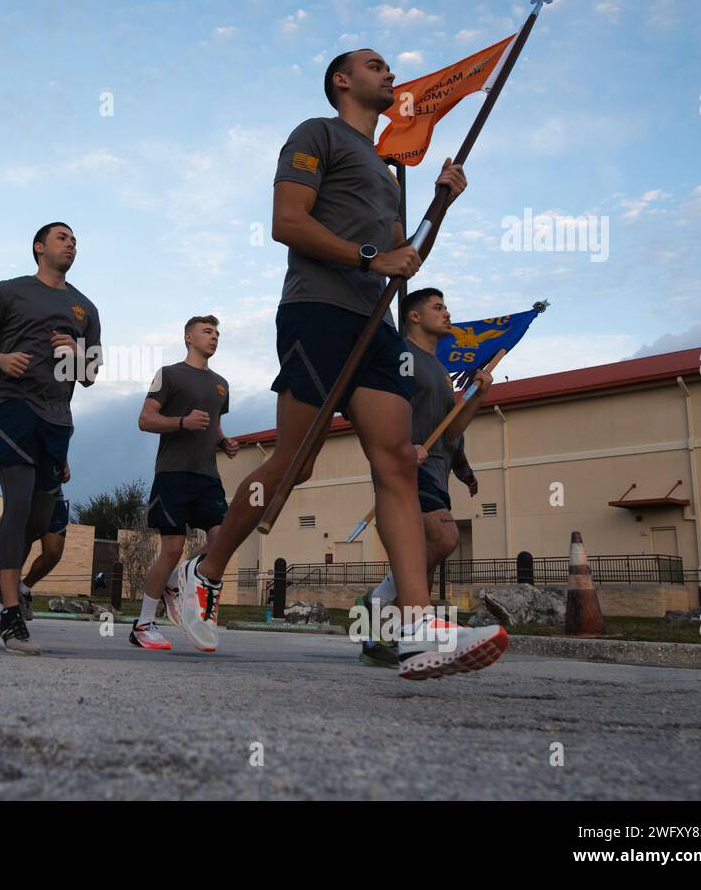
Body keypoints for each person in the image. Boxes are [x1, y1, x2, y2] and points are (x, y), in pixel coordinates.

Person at [174, 49, 507, 679]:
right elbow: (286, 222)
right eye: (375, 64)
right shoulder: (316, 135)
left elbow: (401, 257)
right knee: (292, 466)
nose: (390, 72)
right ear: (342, 80)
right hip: (318, 312)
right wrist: (367, 258)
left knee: (400, 461)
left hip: (375, 326)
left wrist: (441, 202)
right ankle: (205, 570)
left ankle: (411, 627)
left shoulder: (387, 171)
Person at [0, 222, 101, 653]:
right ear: (39, 248)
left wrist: (75, 355)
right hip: (13, 405)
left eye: (75, 239)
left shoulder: (85, 307)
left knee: (40, 521)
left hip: (58, 417)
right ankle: (8, 611)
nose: (71, 243)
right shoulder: (8, 291)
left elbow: (91, 375)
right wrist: (0, 357)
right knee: (17, 506)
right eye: (62, 237)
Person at [358, 288, 492, 666]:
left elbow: (449, 431)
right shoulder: (401, 355)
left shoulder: (439, 368)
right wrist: (403, 444)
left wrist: (477, 397)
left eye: (446, 306)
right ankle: (380, 598)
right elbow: (379, 408)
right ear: (414, 316)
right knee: (445, 534)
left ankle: (388, 641)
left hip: (436, 469)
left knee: (423, 566)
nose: (447, 313)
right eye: (438, 307)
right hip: (405, 468)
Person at [130, 316, 238, 651]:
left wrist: (222, 441)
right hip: (173, 474)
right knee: (173, 549)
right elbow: (145, 419)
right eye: (207, 332)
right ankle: (143, 625)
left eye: (217, 333)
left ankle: (183, 577)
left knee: (223, 540)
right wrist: (182, 422)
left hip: (208, 476)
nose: (214, 337)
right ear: (188, 337)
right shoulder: (169, 374)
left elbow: (211, 421)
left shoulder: (221, 384)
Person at [0, 460, 70, 621]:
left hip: (52, 482)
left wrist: (64, 461)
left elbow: (59, 436)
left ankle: (21, 589)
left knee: (53, 551)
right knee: (21, 537)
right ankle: (4, 608)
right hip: (24, 471)